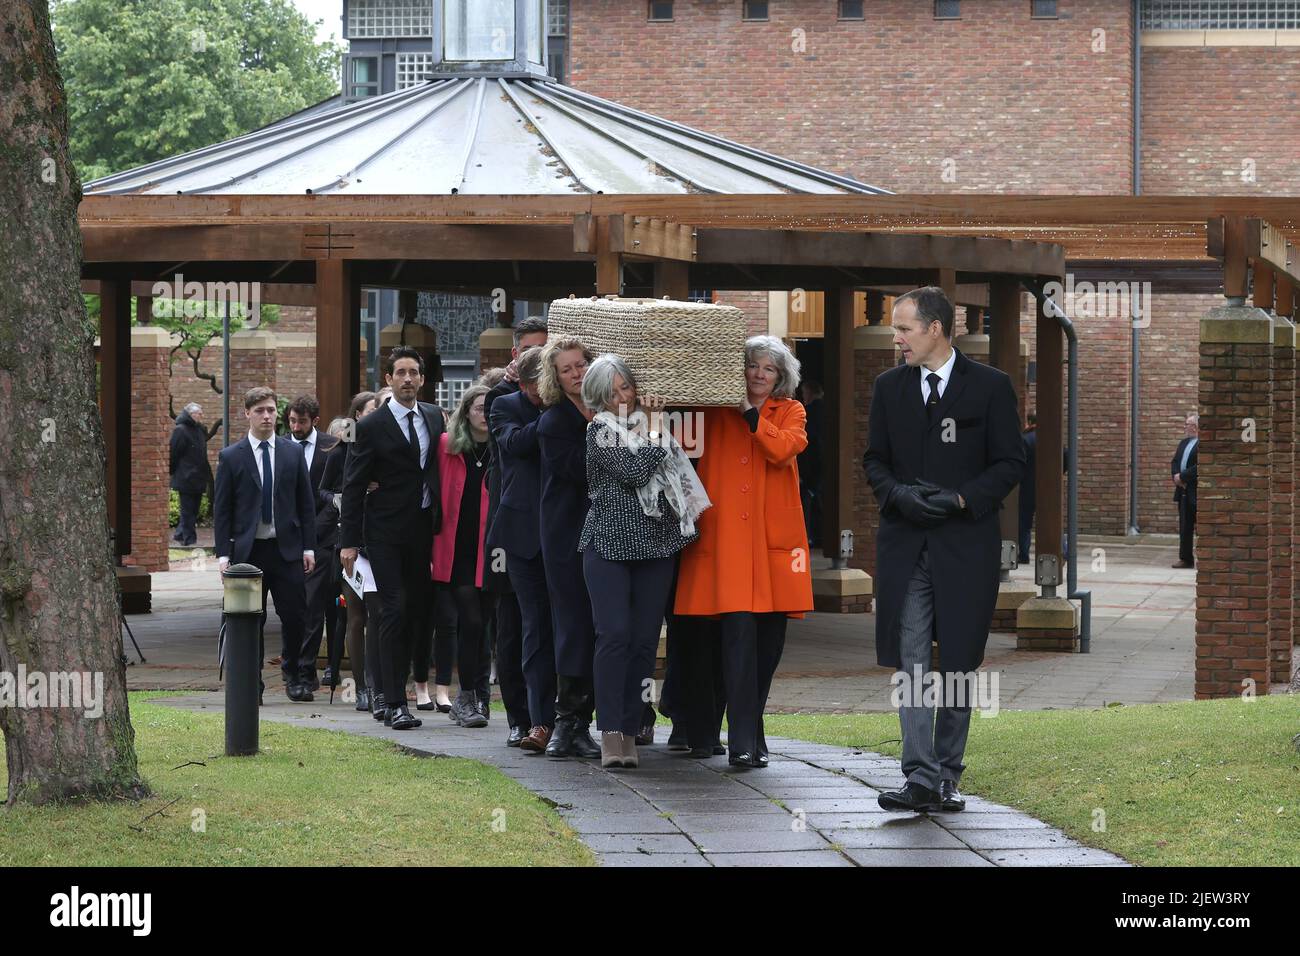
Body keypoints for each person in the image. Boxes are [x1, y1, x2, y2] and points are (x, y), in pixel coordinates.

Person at [862, 286, 1024, 813]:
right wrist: (900, 496)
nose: (897, 338)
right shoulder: (889, 388)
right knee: (910, 663)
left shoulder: (992, 387)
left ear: (935, 328)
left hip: (966, 548)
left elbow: (1009, 463)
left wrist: (960, 498)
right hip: (905, 547)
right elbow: (874, 461)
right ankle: (919, 777)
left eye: (904, 328)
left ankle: (949, 774)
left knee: (957, 663)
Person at [674, 335, 813, 768]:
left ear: (780, 376)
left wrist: (751, 415)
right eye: (752, 366)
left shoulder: (791, 411)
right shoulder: (713, 413)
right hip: (723, 544)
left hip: (772, 548)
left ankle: (751, 732)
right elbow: (679, 441)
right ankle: (736, 740)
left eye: (768, 369)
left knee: (767, 646)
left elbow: (783, 448)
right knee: (726, 642)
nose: (758, 374)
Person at [580, 355, 705, 769]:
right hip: (609, 547)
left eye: (626, 388)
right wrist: (653, 424)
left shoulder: (657, 427)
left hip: (656, 545)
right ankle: (610, 731)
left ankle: (631, 729)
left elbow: (678, 472)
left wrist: (655, 424)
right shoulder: (599, 429)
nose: (621, 397)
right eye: (612, 391)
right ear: (598, 396)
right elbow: (634, 471)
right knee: (614, 636)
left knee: (644, 643)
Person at [340, 346, 445, 731]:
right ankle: (393, 700)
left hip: (421, 532)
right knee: (391, 611)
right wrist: (348, 542)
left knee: (416, 615)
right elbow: (352, 486)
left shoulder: (434, 417)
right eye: (400, 372)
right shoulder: (369, 426)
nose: (407, 379)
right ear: (388, 379)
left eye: (413, 372)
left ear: (421, 379)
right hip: (382, 533)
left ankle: (389, 696)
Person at [213, 387, 317, 702]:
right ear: (247, 414)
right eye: (260, 411)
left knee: (296, 615)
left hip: (286, 550)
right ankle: (250, 680)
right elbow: (222, 510)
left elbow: (306, 503)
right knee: (249, 619)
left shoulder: (291, 452)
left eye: (271, 410)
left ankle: (294, 676)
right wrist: (223, 554)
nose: (267, 416)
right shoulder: (231, 456)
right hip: (248, 552)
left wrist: (308, 548)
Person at [484, 317, 549, 746]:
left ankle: (553, 716)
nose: (542, 360)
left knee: (550, 625)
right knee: (513, 626)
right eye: (532, 352)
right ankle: (518, 718)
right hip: (516, 528)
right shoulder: (503, 398)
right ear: (515, 356)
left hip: (556, 524)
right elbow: (508, 449)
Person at [537, 336, 602, 759]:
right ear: (555, 378)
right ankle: (568, 721)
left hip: (608, 534)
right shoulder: (554, 422)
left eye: (581, 365)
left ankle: (594, 720)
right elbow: (583, 471)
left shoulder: (612, 413)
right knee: (572, 624)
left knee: (603, 626)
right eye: (567, 369)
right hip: (565, 534)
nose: (576, 373)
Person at [431, 384, 495, 729]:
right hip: (455, 549)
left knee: (483, 626)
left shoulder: (502, 448)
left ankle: (477, 696)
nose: (484, 414)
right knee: (470, 621)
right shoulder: (446, 446)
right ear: (466, 411)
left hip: (492, 551)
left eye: (490, 408)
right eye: (479, 407)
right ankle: (467, 695)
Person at [320, 390, 377, 711]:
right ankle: (361, 687)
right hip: (351, 539)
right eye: (370, 411)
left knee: (382, 616)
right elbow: (323, 490)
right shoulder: (342, 452)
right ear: (357, 416)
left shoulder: (389, 447)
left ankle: (382, 682)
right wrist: (342, 496)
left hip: (384, 538)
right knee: (355, 615)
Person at [288, 394, 341, 691]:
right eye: (293, 421)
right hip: (287, 540)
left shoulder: (328, 448)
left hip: (321, 538)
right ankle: (292, 665)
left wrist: (315, 531)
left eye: (302, 422)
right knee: (294, 607)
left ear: (315, 421)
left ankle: (307, 671)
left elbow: (332, 492)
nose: (296, 426)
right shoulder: (281, 447)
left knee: (314, 607)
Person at [169, 402, 211, 547]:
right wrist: (174, 472)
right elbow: (174, 453)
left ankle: (180, 534)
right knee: (187, 510)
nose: (202, 416)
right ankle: (189, 539)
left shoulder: (199, 430)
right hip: (185, 477)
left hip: (198, 477)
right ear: (191, 415)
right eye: (200, 413)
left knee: (194, 509)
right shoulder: (180, 430)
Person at [798, 379, 824, 550]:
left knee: (809, 500)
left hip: (812, 464)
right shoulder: (831, 411)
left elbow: (806, 443)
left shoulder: (809, 413)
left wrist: (801, 471)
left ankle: (810, 536)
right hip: (826, 465)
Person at [1171, 412, 1198, 569]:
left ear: (1195, 427)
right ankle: (1186, 558)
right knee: (1185, 526)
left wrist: (1183, 476)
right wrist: (1175, 476)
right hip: (1182, 492)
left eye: (1187, 424)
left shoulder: (1202, 444)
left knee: (1200, 526)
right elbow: (1174, 461)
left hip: (1195, 490)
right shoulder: (1183, 443)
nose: (1185, 427)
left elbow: (1199, 466)